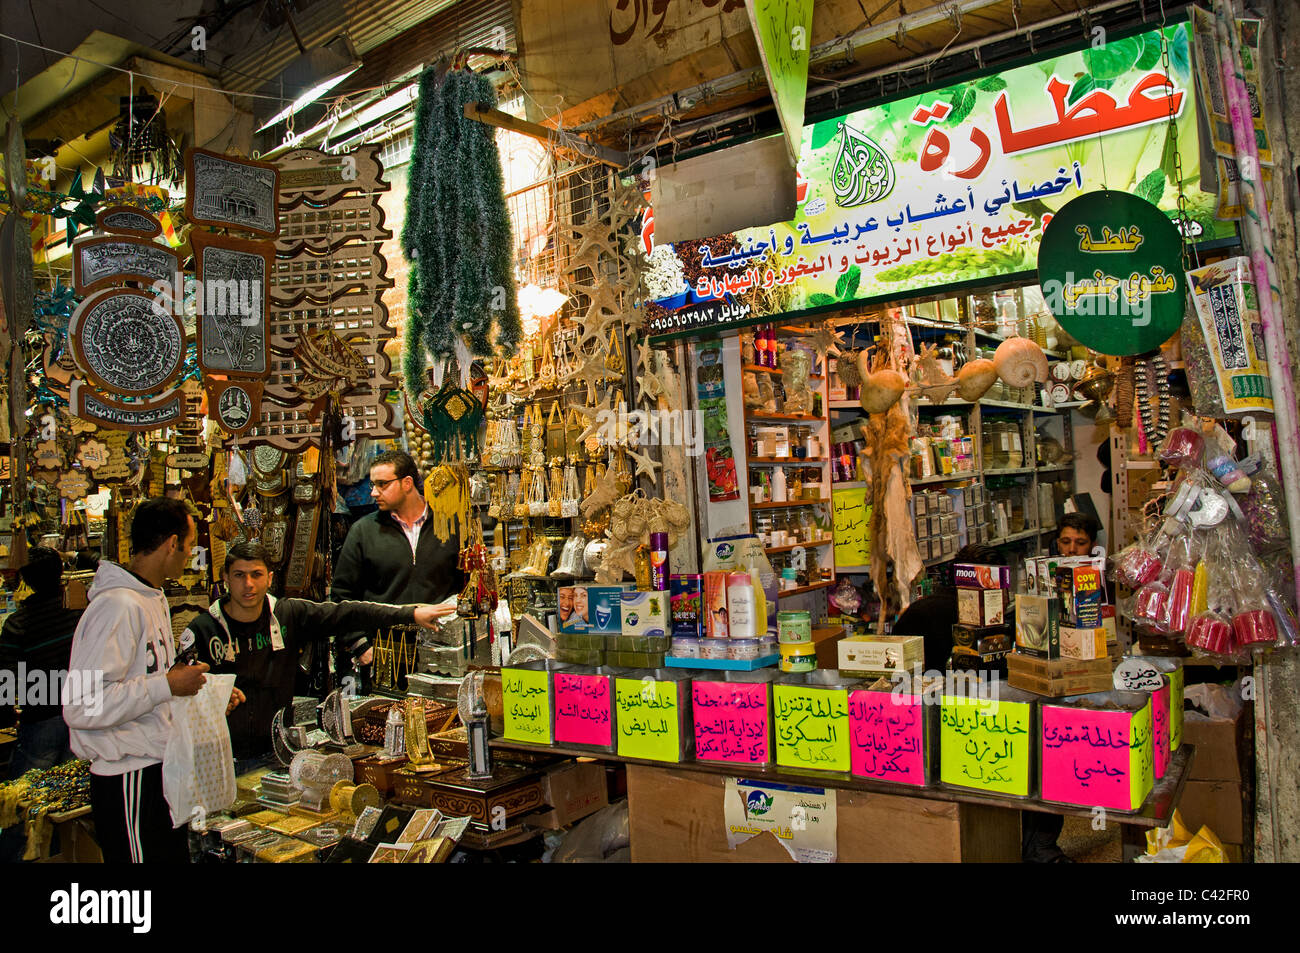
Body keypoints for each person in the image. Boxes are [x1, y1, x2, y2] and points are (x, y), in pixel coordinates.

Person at [179, 542, 457, 767]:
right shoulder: (203, 630)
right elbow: (177, 693)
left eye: (256, 574)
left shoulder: (288, 614)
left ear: (270, 578)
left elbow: (348, 612)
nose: (248, 584)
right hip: (219, 756)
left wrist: (411, 613)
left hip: (277, 754)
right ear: (226, 578)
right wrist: (213, 695)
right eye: (239, 575)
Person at [63, 498, 219, 863]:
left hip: (156, 771)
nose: (189, 554)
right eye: (188, 544)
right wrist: (167, 686)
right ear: (171, 544)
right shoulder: (118, 605)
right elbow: (82, 704)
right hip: (127, 776)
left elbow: (149, 681)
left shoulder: (151, 598)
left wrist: (199, 691)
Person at [331, 450, 465, 689]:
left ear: (407, 483)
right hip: (385, 651)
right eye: (374, 485)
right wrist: (360, 644)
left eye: (382, 484)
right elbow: (342, 595)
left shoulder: (450, 523)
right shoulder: (363, 531)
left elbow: (467, 585)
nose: (373, 492)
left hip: (442, 650)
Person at [1, 547, 82, 779]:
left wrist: (7, 715)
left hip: (41, 718)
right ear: (60, 573)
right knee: (72, 790)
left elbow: (5, 678)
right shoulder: (80, 613)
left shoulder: (18, 624)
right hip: (83, 715)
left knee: (26, 795)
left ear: (26, 580)